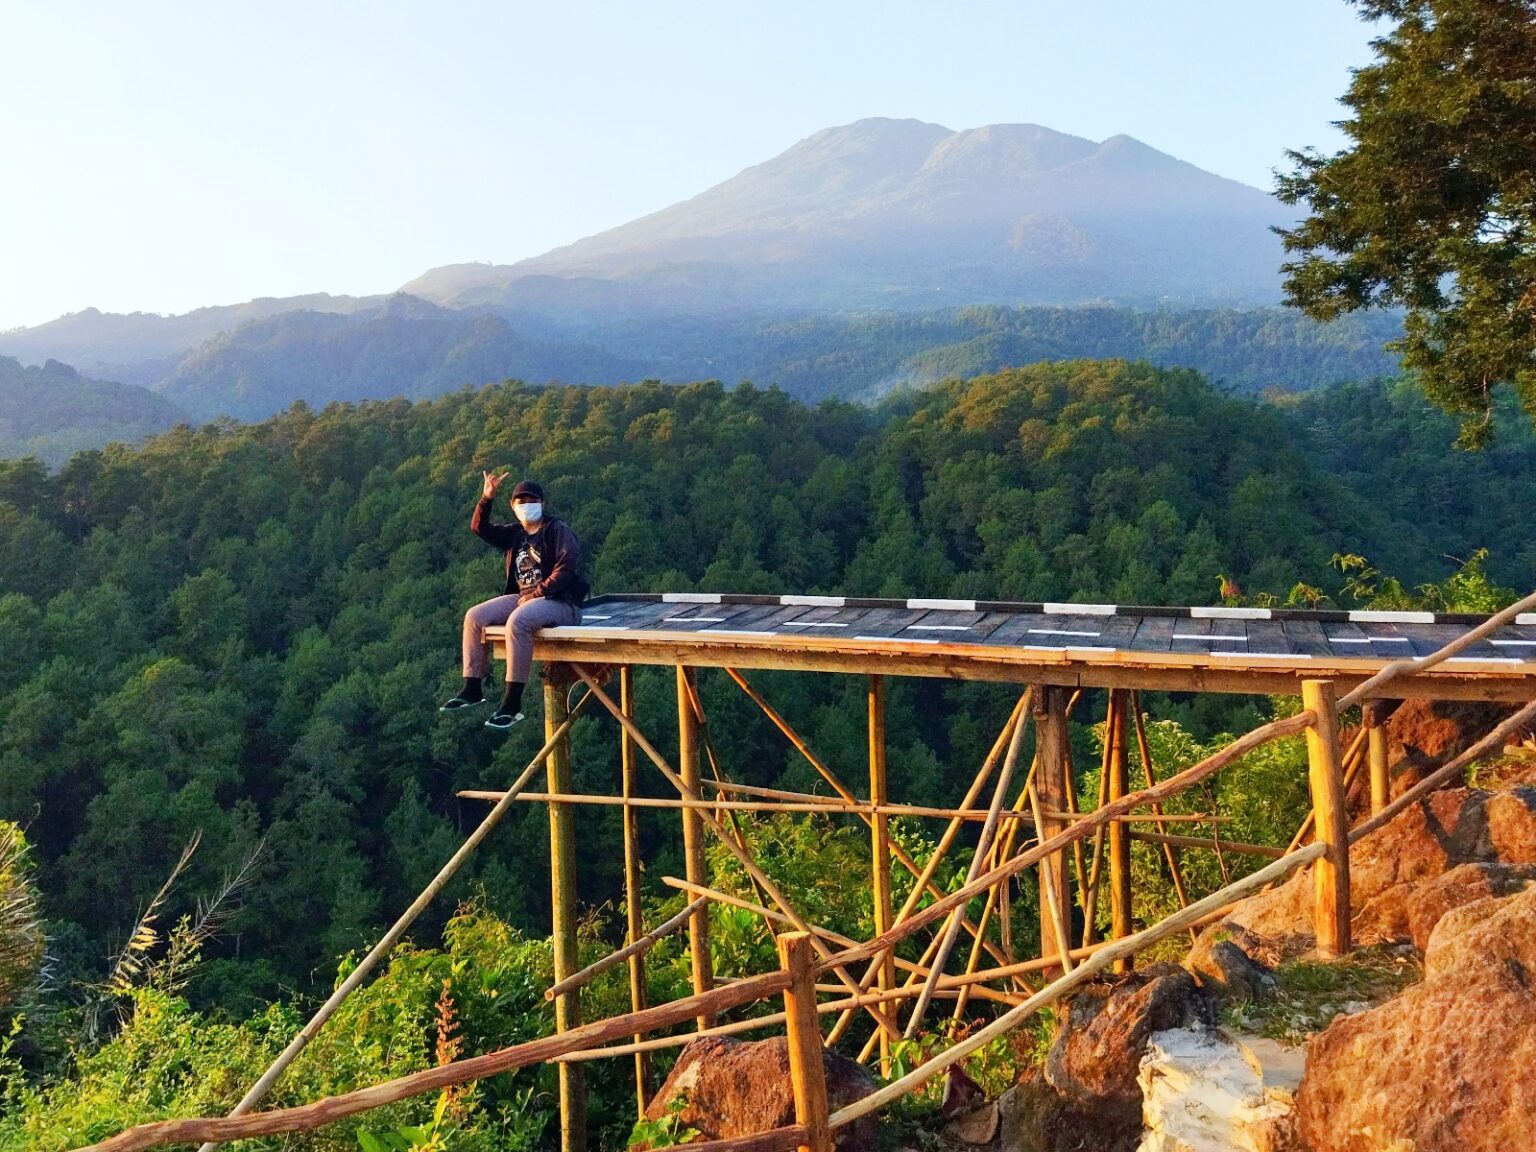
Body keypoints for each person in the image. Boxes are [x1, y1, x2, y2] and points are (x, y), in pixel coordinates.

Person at [440, 473, 588, 729]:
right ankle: (472, 687)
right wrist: (486, 498)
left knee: (518, 622)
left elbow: (566, 567)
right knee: (474, 617)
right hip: (524, 596)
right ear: (512, 505)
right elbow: (479, 528)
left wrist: (537, 593)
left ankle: (512, 703)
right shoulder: (516, 533)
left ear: (542, 503)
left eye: (532, 501)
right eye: (521, 501)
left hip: (561, 601)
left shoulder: (556, 530)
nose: (526, 505)